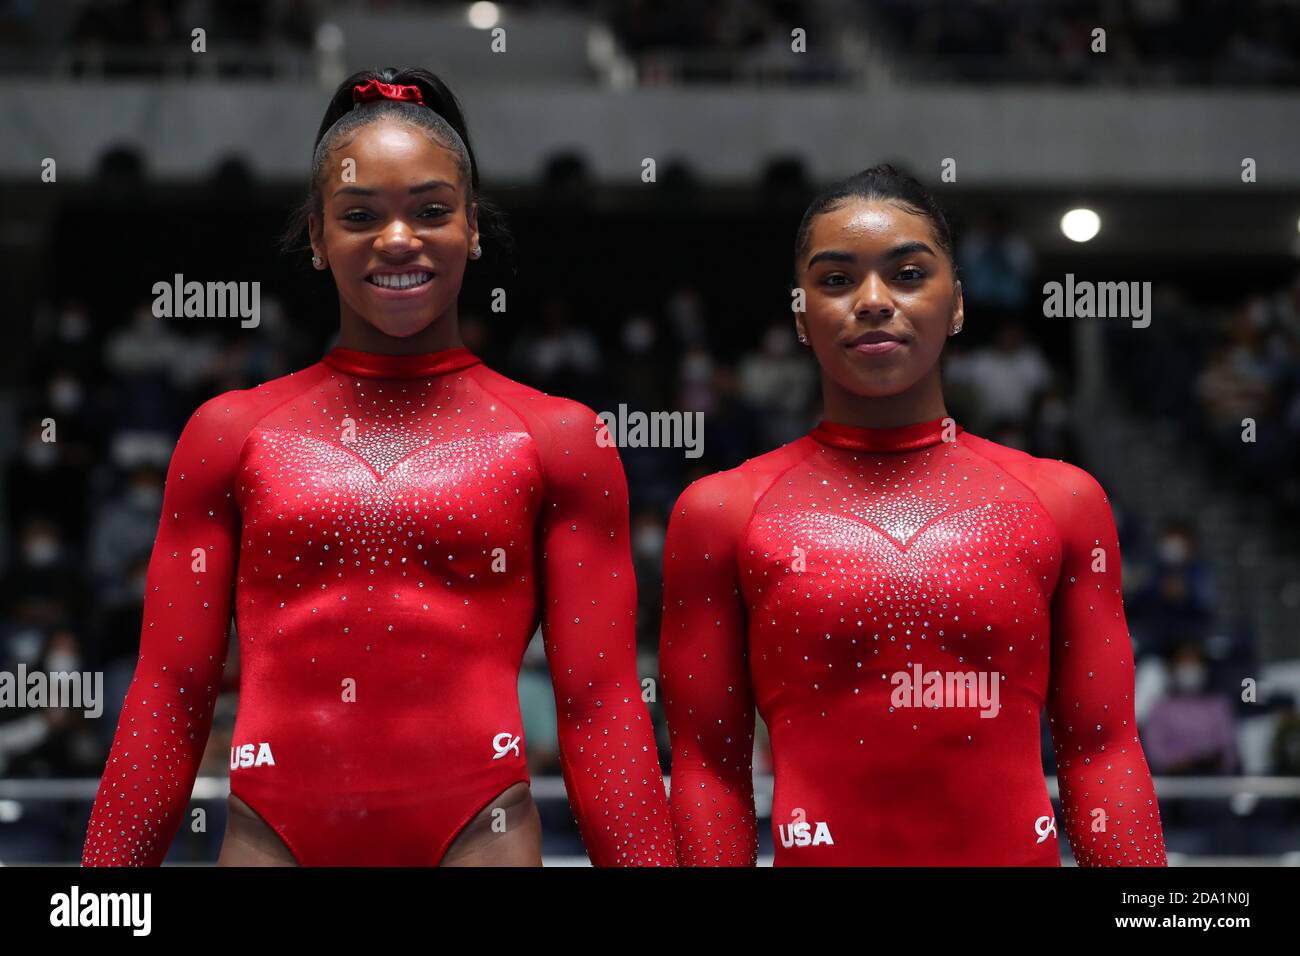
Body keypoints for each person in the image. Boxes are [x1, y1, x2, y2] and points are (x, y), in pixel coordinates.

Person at [82, 68, 673, 867]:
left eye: (431, 211)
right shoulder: (228, 433)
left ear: (472, 228)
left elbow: (601, 706)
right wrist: (94, 905)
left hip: (479, 835)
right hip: (274, 837)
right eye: (361, 216)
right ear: (319, 241)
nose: (398, 240)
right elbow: (170, 692)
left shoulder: (560, 439)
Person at [659, 164, 1167, 866]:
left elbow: (1102, 752)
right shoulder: (721, 511)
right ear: (801, 314)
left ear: (956, 304)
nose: (872, 301)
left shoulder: (1062, 501)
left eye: (906, 275)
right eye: (836, 280)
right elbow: (708, 767)